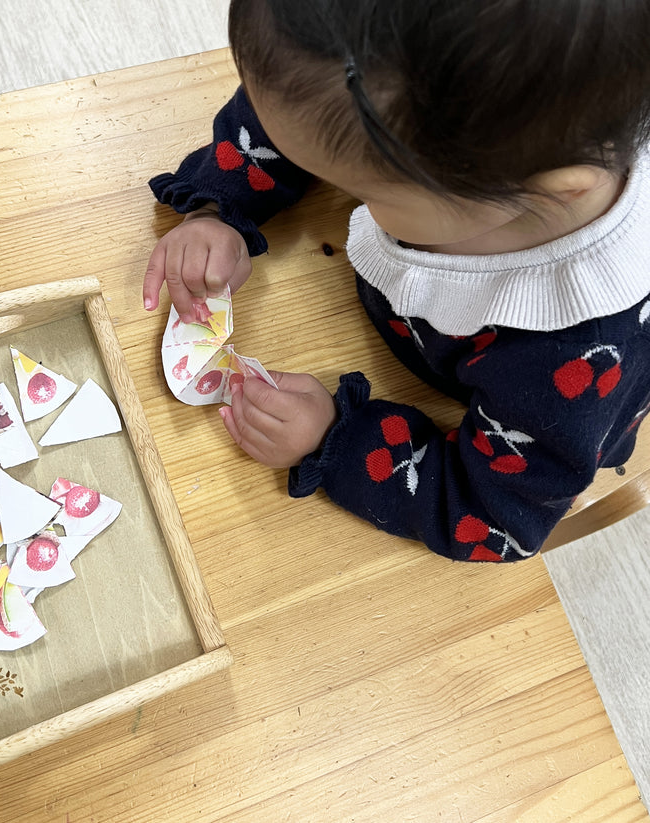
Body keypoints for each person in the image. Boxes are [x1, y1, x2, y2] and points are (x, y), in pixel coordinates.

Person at [143, 0, 650, 562]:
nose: (349, 197)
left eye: (365, 191)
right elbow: (305, 103)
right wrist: (218, 206)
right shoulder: (424, 112)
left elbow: (491, 519)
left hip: (516, 418)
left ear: (552, 186)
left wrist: (336, 440)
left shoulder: (572, 353)